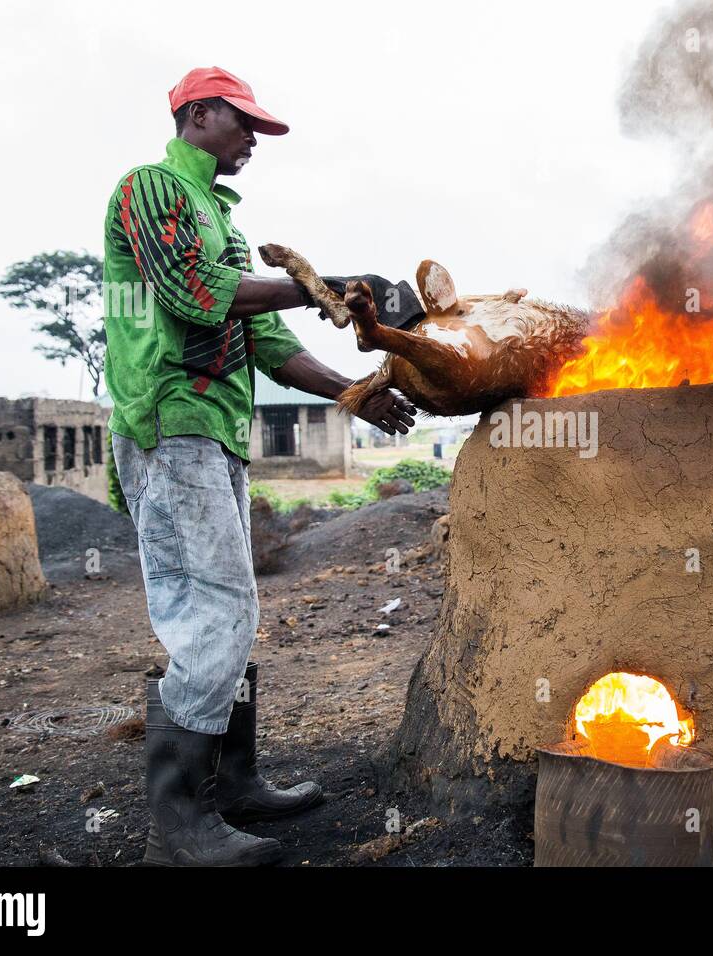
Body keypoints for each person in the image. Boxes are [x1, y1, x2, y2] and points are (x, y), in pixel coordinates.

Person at [104, 67, 418, 867]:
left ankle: (234, 784)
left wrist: (355, 391)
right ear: (197, 113)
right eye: (244, 124)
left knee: (229, 610)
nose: (252, 141)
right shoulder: (151, 190)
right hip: (169, 421)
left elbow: (268, 346)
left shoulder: (220, 220)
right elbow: (193, 294)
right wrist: (321, 284)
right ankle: (176, 832)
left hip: (210, 430)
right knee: (217, 610)